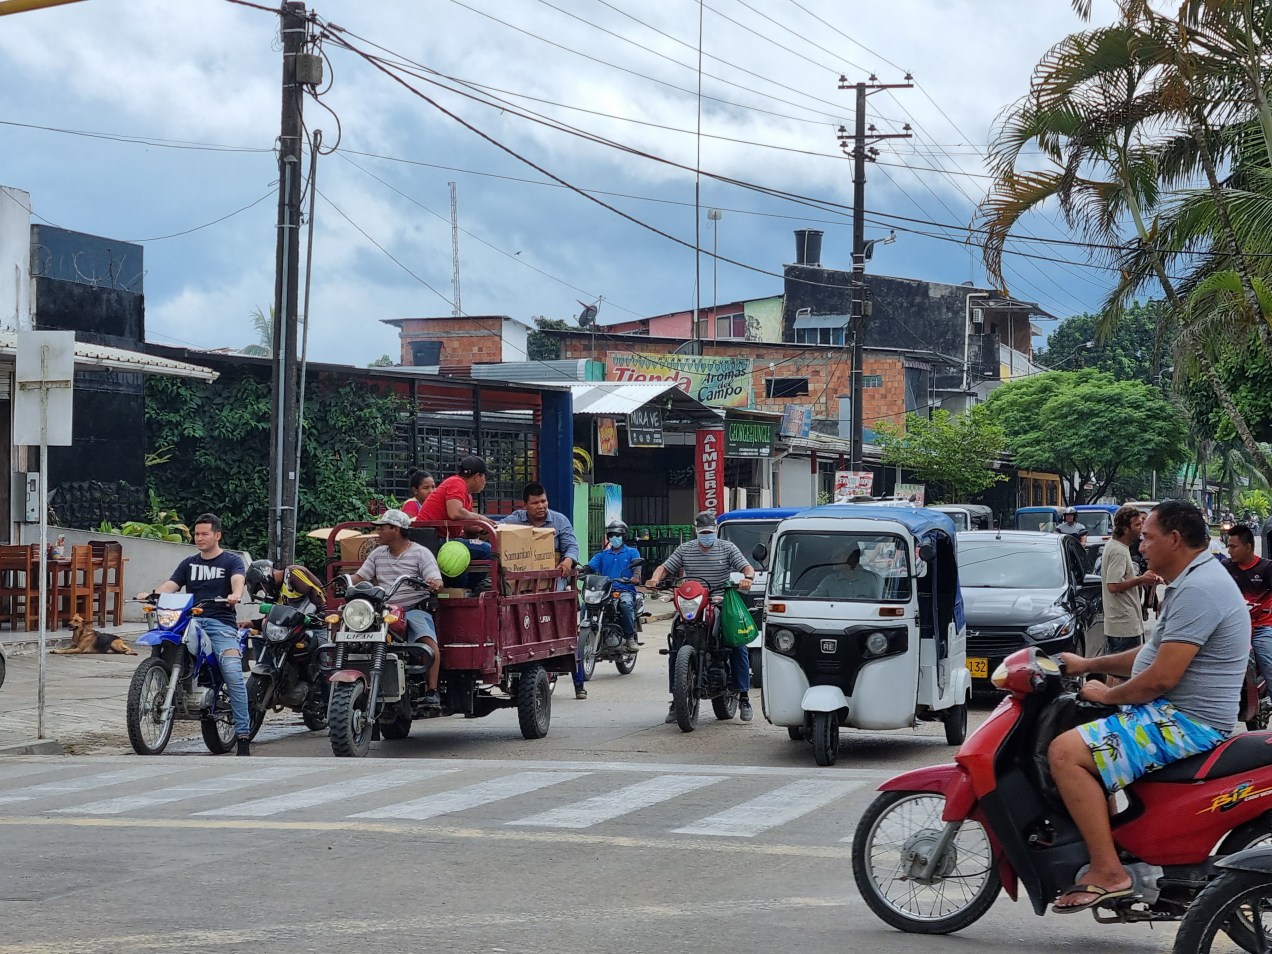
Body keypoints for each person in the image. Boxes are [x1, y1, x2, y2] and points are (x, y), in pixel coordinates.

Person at [1048, 500, 1248, 913]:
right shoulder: (1194, 579)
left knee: (1065, 753)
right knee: (1087, 737)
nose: (1142, 548)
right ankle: (1114, 851)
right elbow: (1152, 654)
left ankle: (1107, 871)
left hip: (1188, 722)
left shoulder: (1200, 588)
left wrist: (1107, 694)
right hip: (1177, 713)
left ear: (1175, 539)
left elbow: (1159, 679)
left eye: (1147, 538)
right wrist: (1089, 664)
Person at [137, 513, 250, 755]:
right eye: (196, 534)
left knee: (232, 671)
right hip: (190, 621)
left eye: (204, 534)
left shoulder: (231, 561)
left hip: (221, 625)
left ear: (217, 535)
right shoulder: (188, 563)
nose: (199, 538)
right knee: (167, 644)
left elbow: (239, 580)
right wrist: (152, 594)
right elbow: (171, 585)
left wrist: (235, 593)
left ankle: (243, 733)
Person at [647, 511, 755, 723]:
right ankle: (676, 700)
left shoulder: (727, 548)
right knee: (675, 645)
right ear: (696, 531)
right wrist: (654, 578)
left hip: (718, 599)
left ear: (715, 530)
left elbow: (746, 567)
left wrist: (747, 578)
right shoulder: (685, 549)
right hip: (693, 601)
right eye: (702, 532)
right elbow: (665, 568)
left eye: (709, 532)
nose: (706, 535)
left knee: (736, 642)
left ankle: (743, 696)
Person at [350, 508, 445, 708]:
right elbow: (360, 577)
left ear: (396, 529)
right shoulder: (377, 554)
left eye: (382, 528)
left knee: (428, 643)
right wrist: (345, 581)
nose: (378, 532)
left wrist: (434, 583)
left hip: (413, 609)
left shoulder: (420, 553)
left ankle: (432, 690)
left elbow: (436, 580)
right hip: (383, 610)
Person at [1100, 505, 1161, 657]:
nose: (1141, 528)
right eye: (1137, 524)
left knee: (1117, 674)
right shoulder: (1118, 551)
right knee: (1122, 674)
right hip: (1123, 625)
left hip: (1123, 623)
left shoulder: (1118, 547)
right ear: (1125, 528)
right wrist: (1141, 579)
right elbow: (1113, 586)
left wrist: (1144, 579)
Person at [1223, 524, 1272, 687]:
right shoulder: (1225, 567)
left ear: (1248, 547)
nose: (1229, 551)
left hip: (1261, 627)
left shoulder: (1266, 568)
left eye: (1233, 546)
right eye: (1228, 546)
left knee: (1269, 665)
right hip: (1232, 627)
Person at [584, 520, 643, 654]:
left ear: (624, 536)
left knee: (626, 605)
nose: (614, 538)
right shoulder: (602, 555)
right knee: (586, 605)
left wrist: (636, 577)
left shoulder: (632, 552)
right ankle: (582, 634)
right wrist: (580, 571)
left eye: (617, 535)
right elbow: (590, 567)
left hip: (625, 590)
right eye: (611, 535)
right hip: (605, 592)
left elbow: (637, 568)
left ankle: (629, 637)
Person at [500, 482, 580, 579]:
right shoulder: (516, 519)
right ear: (525, 505)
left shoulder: (560, 521)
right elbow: (498, 528)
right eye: (535, 503)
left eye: (543, 501)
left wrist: (568, 560)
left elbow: (572, 546)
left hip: (555, 576)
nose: (541, 506)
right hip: (521, 578)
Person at [417, 455, 498, 531]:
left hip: (437, 536)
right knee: (485, 547)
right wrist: (480, 518)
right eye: (485, 477)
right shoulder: (457, 483)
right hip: (429, 538)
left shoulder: (467, 494)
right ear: (477, 477)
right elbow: (455, 513)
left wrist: (482, 530)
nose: (485, 481)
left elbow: (467, 526)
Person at [808, 545, 884, 600]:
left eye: (837, 556)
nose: (833, 559)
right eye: (832, 556)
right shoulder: (829, 580)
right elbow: (810, 602)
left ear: (851, 557)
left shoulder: (874, 580)